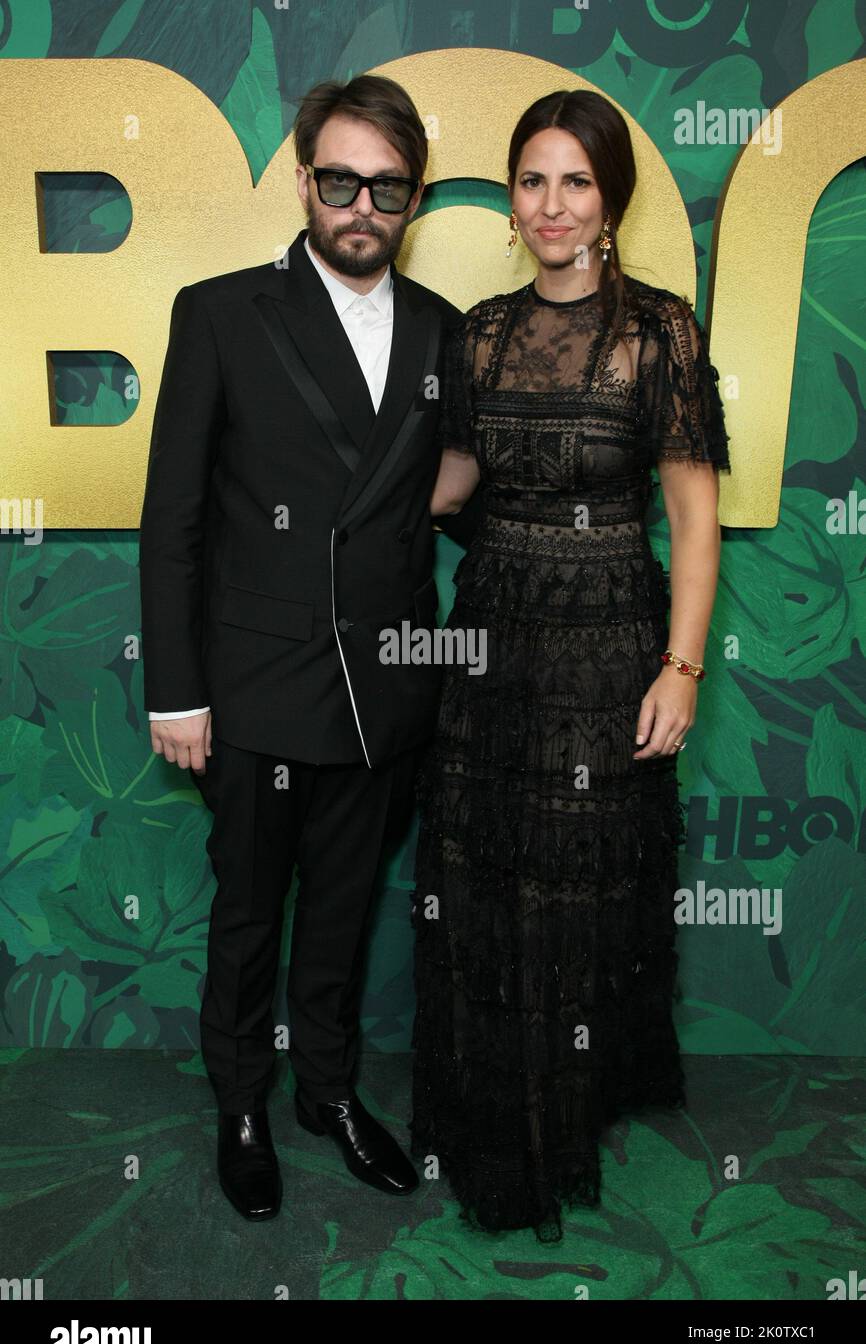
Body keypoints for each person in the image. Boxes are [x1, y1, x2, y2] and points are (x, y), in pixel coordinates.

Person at [138, 74, 480, 1222]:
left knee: (342, 908)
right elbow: (173, 518)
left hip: (386, 685)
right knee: (247, 915)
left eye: (386, 187)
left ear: (413, 197)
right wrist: (176, 691)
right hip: (250, 686)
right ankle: (241, 1101)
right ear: (303, 181)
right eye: (339, 180)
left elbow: (439, 489)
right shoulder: (222, 311)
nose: (360, 205)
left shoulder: (440, 329)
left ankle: (324, 1094)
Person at [409, 88, 731, 1243]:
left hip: (608, 646)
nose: (550, 204)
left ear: (609, 203)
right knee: (488, 880)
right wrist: (339, 498)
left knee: (578, 885)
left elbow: (691, 520)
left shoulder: (659, 332)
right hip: (490, 641)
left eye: (574, 182)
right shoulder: (479, 331)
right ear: (510, 201)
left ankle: (569, 1108)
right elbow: (450, 486)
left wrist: (681, 668)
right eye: (531, 180)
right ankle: (499, 1121)